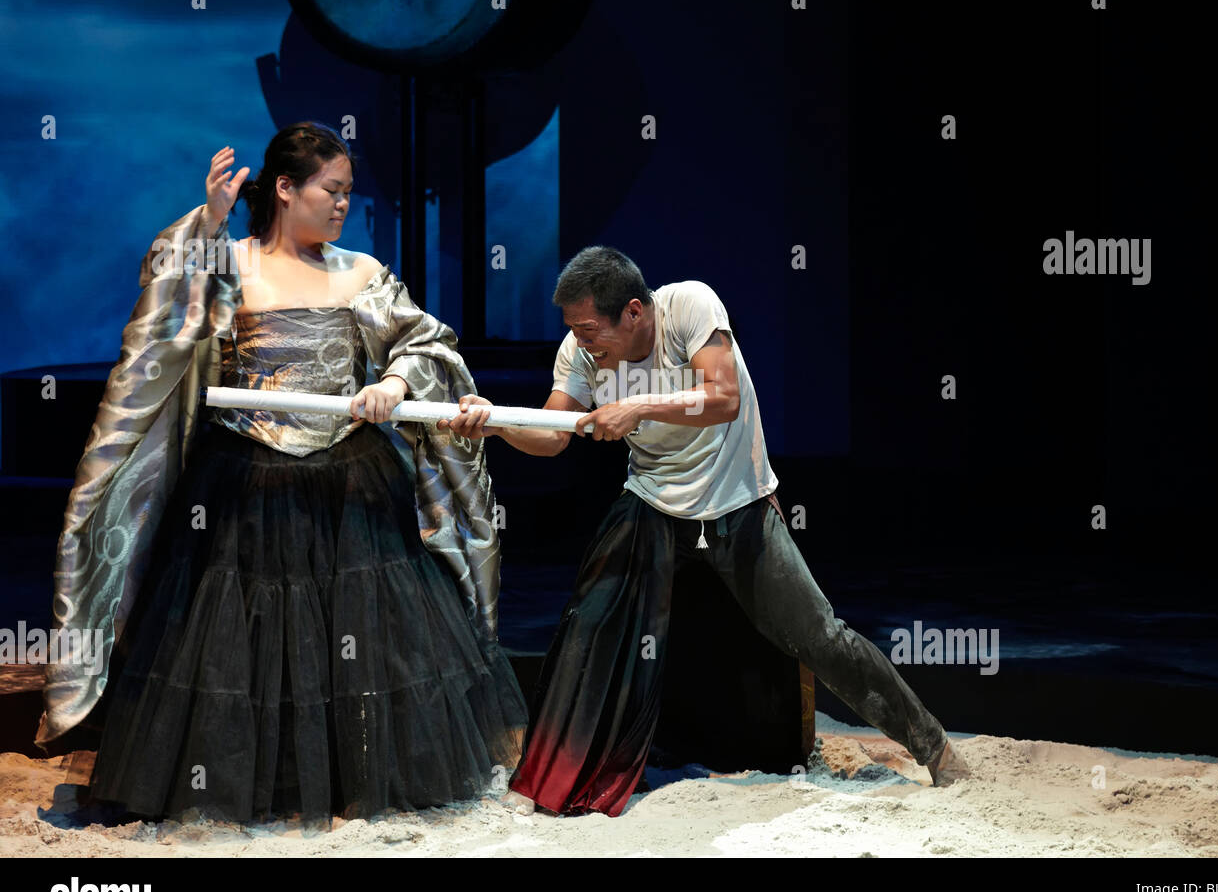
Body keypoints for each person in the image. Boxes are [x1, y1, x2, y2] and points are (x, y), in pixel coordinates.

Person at [37, 122, 527, 826]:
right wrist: (208, 218)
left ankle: (356, 773)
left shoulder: (358, 272)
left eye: (349, 194)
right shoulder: (229, 263)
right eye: (331, 190)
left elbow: (424, 343)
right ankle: (262, 783)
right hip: (247, 480)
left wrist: (394, 380)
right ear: (286, 188)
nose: (342, 206)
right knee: (247, 638)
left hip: (349, 476)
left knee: (359, 637)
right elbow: (167, 300)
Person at [438, 247, 972, 817]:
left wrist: (638, 407)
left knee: (818, 634)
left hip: (736, 500)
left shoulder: (690, 306)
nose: (581, 341)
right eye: (573, 329)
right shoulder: (582, 351)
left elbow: (723, 398)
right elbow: (555, 433)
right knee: (587, 628)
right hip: (652, 500)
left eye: (591, 329)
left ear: (636, 313)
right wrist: (495, 422)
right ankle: (552, 782)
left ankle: (933, 747)